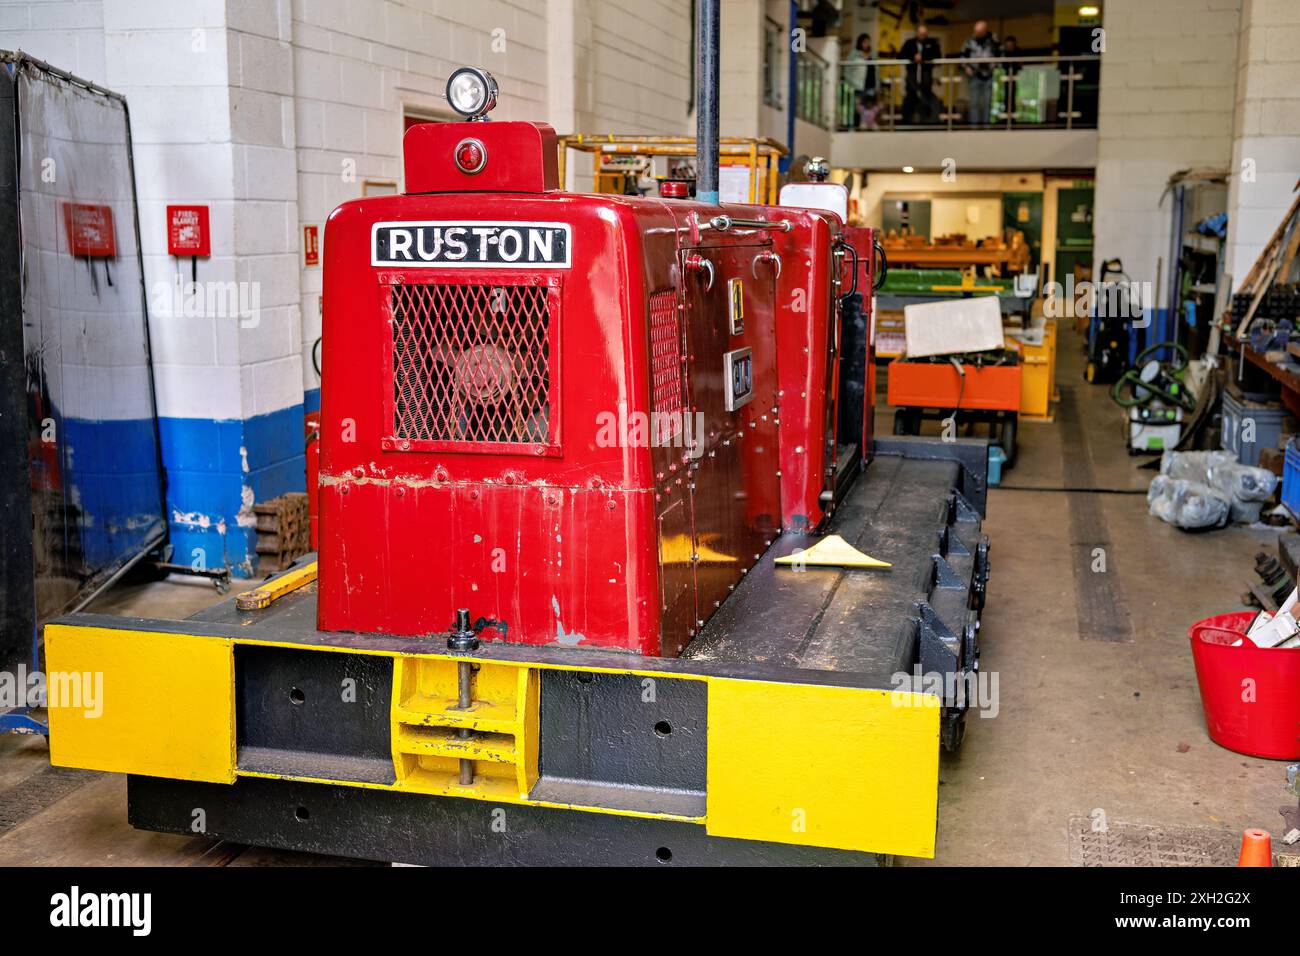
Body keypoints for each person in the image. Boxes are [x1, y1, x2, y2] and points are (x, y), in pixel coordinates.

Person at [899, 25, 941, 125]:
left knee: (926, 95)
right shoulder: (909, 43)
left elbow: (937, 56)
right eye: (921, 34)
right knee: (911, 95)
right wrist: (913, 57)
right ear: (917, 33)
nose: (923, 36)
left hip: (926, 74)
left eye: (925, 34)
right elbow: (900, 55)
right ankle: (907, 121)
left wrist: (923, 57)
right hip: (912, 74)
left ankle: (927, 121)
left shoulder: (932, 43)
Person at [960, 20, 1000, 126]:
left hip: (990, 75)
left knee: (988, 102)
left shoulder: (993, 40)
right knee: (974, 103)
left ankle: (987, 126)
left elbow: (1001, 54)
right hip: (974, 75)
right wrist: (966, 68)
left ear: (985, 31)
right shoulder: (969, 41)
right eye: (976, 32)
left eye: (980, 32)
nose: (977, 34)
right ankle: (974, 126)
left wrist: (996, 67)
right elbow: (962, 56)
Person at [841, 33, 879, 129]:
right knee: (857, 108)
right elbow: (847, 70)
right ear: (860, 43)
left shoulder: (873, 54)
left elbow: (877, 71)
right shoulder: (854, 54)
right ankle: (855, 126)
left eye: (868, 42)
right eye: (864, 42)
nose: (866, 44)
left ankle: (869, 125)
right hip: (858, 85)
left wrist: (878, 85)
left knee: (870, 108)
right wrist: (850, 83)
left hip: (870, 85)